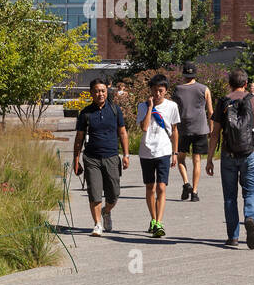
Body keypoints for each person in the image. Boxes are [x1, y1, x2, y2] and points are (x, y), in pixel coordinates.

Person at [205, 69, 254, 248]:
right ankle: (250, 218)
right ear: (246, 84)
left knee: (230, 197)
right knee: (250, 191)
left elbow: (215, 133)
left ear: (229, 84)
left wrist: (210, 159)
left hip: (228, 154)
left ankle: (233, 237)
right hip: (250, 153)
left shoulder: (223, 101)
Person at [72, 78, 129, 236]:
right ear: (91, 93)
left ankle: (106, 211)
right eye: (97, 91)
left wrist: (126, 155)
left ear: (107, 92)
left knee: (114, 194)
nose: (100, 94)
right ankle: (97, 224)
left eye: (103, 91)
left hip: (111, 157)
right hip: (91, 159)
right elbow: (79, 139)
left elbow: (123, 133)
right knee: (95, 193)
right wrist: (76, 160)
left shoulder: (115, 110)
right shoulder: (85, 113)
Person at [137, 74, 180, 237]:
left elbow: (175, 131)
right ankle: (153, 219)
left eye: (161, 91)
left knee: (161, 187)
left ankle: (159, 222)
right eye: (154, 90)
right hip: (146, 151)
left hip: (164, 151)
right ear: (150, 90)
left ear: (166, 91)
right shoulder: (142, 106)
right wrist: (149, 107)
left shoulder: (172, 106)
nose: (157, 94)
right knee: (150, 187)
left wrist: (175, 152)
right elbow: (144, 127)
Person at [173, 63, 213, 202]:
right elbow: (210, 111)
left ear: (183, 74)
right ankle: (195, 192)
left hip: (183, 128)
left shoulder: (177, 89)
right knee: (197, 161)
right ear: (196, 74)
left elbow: (174, 109)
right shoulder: (204, 89)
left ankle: (186, 183)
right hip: (201, 128)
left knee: (181, 158)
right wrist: (212, 128)